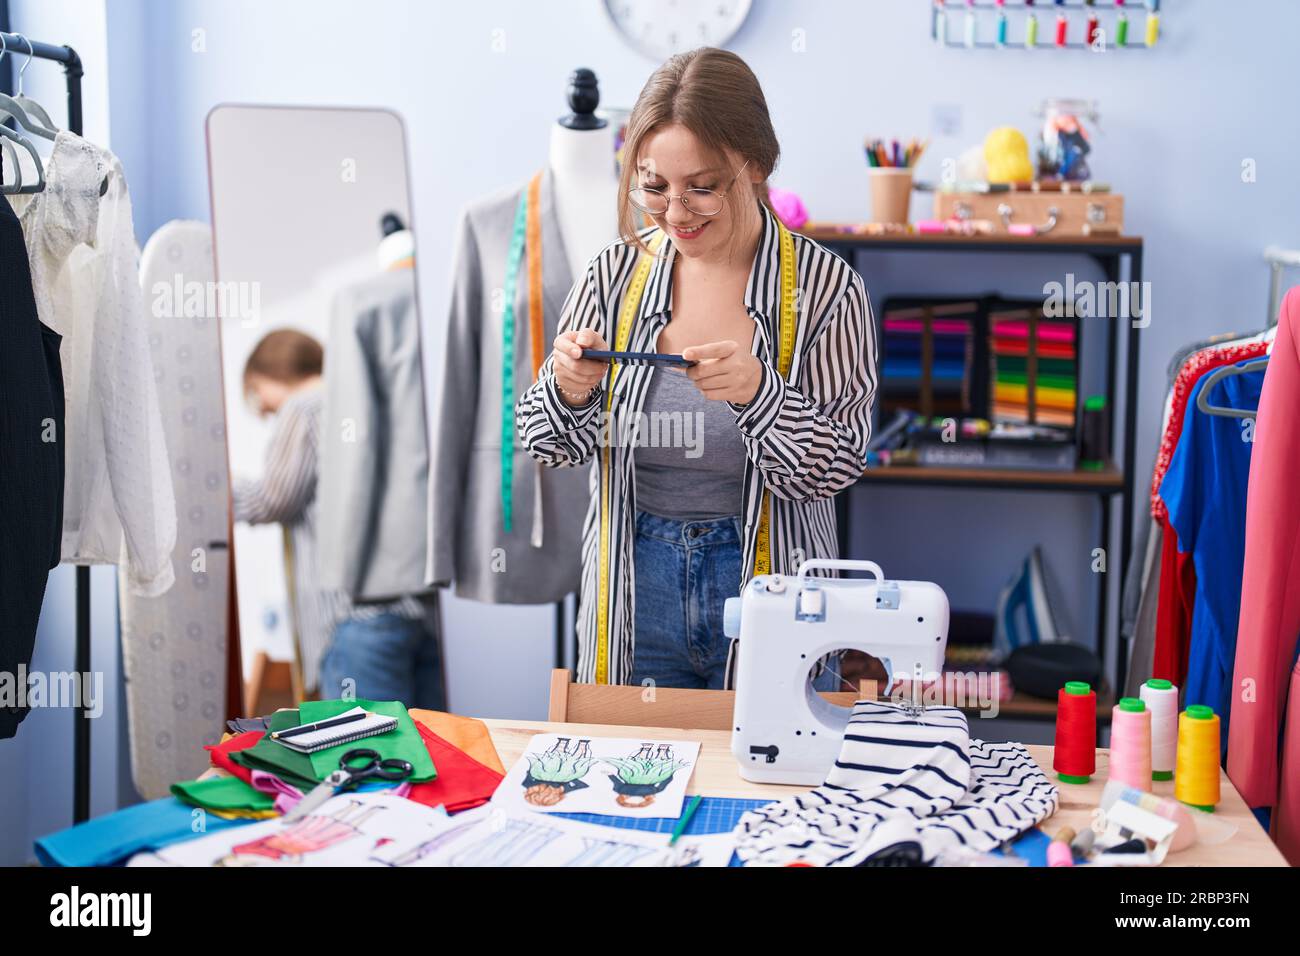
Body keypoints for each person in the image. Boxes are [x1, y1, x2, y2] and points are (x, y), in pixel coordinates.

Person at [517, 48, 880, 690]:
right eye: (654, 186)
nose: (675, 214)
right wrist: (567, 392)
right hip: (632, 587)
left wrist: (762, 396)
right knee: (630, 780)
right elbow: (546, 444)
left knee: (770, 780)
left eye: (702, 187)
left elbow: (837, 467)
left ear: (757, 165)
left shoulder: (827, 290)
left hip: (772, 590)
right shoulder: (614, 274)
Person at [233, 329, 445, 708]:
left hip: (357, 620)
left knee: (364, 757)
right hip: (422, 614)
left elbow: (272, 500)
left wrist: (218, 487)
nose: (261, 407)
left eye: (255, 393)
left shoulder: (304, 407)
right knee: (422, 753)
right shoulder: (373, 398)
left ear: (267, 376)